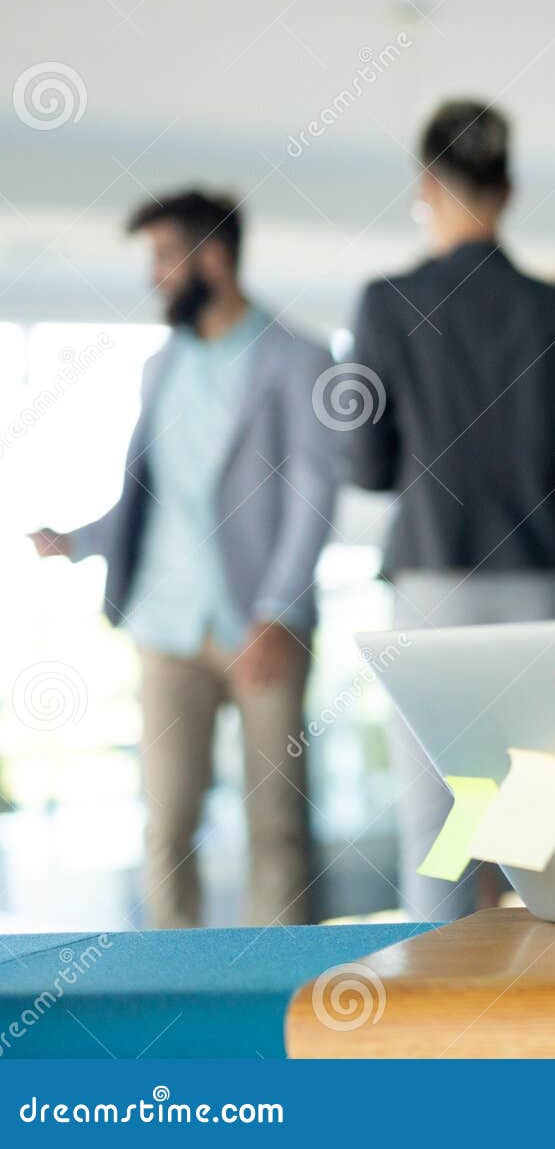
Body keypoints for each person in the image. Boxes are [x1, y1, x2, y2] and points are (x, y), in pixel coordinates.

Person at [345, 101, 555, 921]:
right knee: (552, 828)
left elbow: (366, 465)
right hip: (547, 587)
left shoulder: (386, 303)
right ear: (511, 189)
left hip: (433, 585)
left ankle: (435, 1037)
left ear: (426, 185)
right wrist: (546, 477)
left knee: (438, 828)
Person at [29, 190, 339, 928]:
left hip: (262, 627)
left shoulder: (297, 358)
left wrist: (279, 608)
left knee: (277, 827)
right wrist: (79, 540)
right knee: (166, 826)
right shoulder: (161, 367)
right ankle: (173, 998)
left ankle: (280, 1002)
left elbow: (314, 491)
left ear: (216, 259)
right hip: (165, 627)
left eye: (166, 258)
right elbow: (153, 498)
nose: (156, 276)